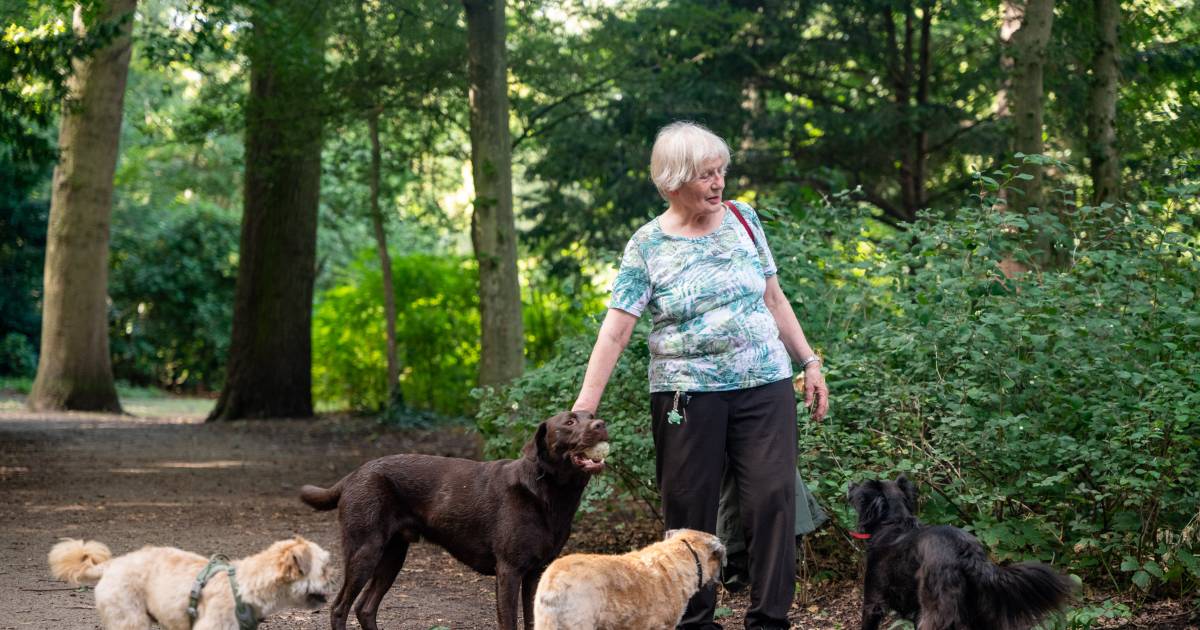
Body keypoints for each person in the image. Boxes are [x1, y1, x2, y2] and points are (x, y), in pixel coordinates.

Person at [571, 121, 829, 630]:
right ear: (673, 182)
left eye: (721, 172)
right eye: (706, 175)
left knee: (773, 501)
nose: (719, 184)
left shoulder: (744, 219)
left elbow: (773, 298)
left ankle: (770, 621)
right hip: (685, 397)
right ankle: (695, 623)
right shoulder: (647, 245)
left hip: (764, 385)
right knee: (689, 513)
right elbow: (615, 333)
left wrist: (809, 362)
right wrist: (584, 410)